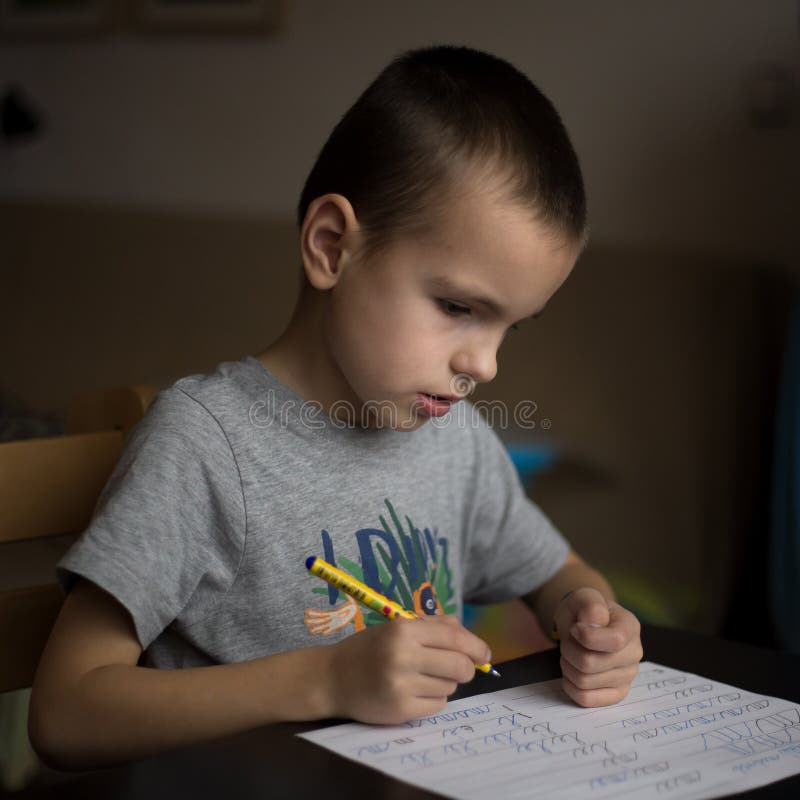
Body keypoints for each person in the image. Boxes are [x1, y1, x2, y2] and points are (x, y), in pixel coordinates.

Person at [28, 45, 642, 771]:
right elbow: (66, 712)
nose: (485, 363)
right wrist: (327, 679)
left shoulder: (456, 444)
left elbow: (561, 574)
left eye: (511, 325)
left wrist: (592, 619)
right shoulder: (205, 446)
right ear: (330, 246)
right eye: (457, 306)